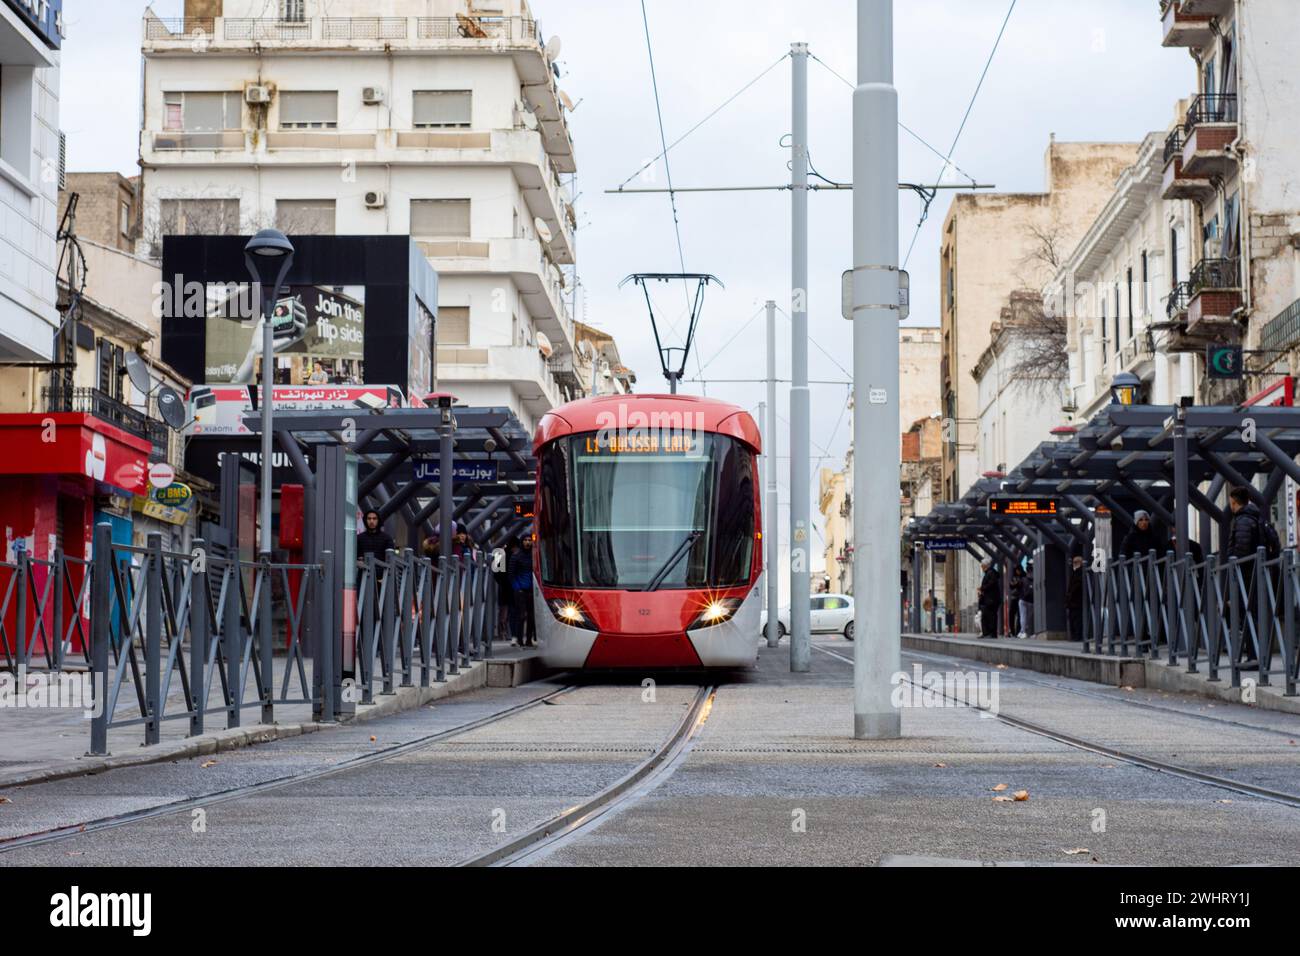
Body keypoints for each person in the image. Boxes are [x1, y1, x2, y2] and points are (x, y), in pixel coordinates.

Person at [1223, 487, 1276, 668]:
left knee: (1248, 614)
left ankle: (1254, 657)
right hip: (1257, 572)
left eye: (1230, 503)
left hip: (1246, 574)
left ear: (1234, 502)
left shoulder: (1243, 520)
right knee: (1253, 613)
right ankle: (1256, 656)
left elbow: (1242, 549)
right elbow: (1275, 543)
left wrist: (1233, 565)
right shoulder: (1259, 517)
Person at [507, 537, 536, 647]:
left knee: (531, 616)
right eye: (525, 540)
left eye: (529, 540)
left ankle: (528, 640)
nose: (528, 542)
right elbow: (511, 574)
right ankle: (520, 639)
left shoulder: (534, 555)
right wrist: (517, 588)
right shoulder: (516, 556)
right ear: (522, 542)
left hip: (532, 590)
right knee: (521, 615)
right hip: (520, 590)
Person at [977, 558, 1001, 639]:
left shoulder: (991, 573)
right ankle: (987, 633)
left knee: (990, 616)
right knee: (986, 616)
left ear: (985, 566)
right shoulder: (989, 573)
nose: (981, 568)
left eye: (982, 566)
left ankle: (991, 633)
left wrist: (982, 588)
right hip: (989, 599)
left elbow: (991, 584)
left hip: (991, 599)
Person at [1065, 555, 1085, 642]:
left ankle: (1077, 636)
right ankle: (1076, 636)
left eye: (1075, 563)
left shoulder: (1078, 572)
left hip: (1075, 600)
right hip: (1075, 600)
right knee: (1075, 618)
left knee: (1076, 619)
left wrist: (1070, 595)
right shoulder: (1077, 572)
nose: (1073, 564)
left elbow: (1076, 586)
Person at [1016, 562, 1034, 640]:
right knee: (1029, 617)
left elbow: (1016, 587)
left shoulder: (1023, 579)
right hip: (1031, 600)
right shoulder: (1035, 578)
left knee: (1023, 616)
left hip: (1022, 599)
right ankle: (1029, 632)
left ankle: (1023, 632)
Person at [1007, 566, 1022, 636]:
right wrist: (1016, 584)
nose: (1018, 572)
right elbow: (1011, 585)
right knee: (1011, 615)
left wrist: (1017, 584)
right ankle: (1012, 631)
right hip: (1014, 598)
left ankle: (1018, 631)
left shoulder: (1023, 577)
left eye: (1019, 570)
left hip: (1020, 598)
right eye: (1016, 570)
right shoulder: (1013, 578)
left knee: (1020, 615)